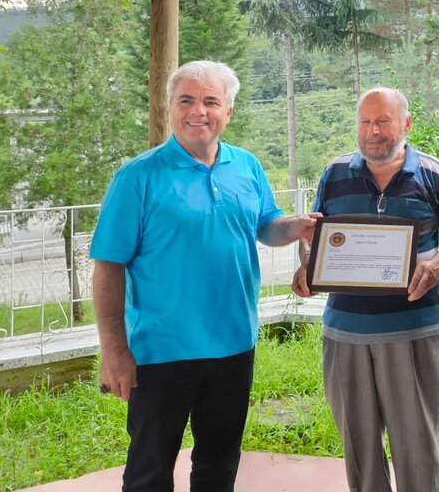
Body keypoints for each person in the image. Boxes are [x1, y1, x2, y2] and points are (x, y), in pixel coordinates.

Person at [91, 59, 318, 492]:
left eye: (211, 101)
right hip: (160, 352)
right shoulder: (137, 177)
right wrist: (114, 350)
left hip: (234, 345)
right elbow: (108, 266)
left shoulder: (247, 166)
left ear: (227, 112)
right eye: (187, 100)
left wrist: (298, 226)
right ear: (170, 108)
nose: (199, 111)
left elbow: (266, 226)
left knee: (218, 466)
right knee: (149, 472)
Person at [291, 87, 439, 492]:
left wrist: (437, 261)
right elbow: (313, 233)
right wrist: (307, 263)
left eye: (384, 121)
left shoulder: (432, 172)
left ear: (405, 124)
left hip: (414, 328)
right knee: (359, 447)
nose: (374, 131)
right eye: (366, 122)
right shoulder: (334, 173)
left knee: (418, 446)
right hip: (346, 333)